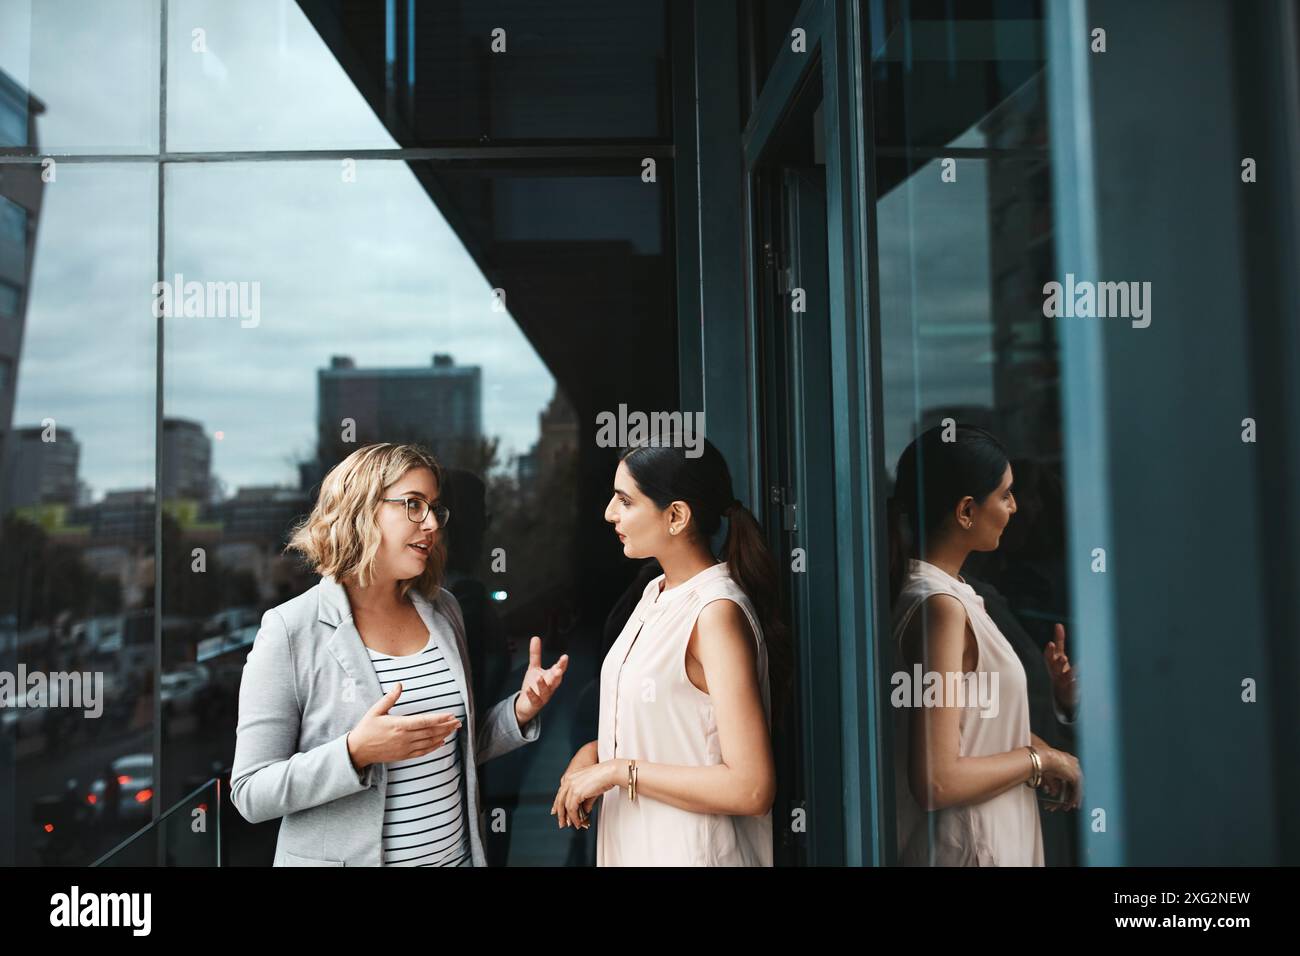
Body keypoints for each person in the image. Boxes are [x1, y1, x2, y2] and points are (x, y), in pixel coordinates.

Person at [230, 442, 568, 866]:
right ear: (361, 510)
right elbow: (250, 792)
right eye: (413, 504)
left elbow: (453, 745)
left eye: (434, 508)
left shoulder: (443, 610)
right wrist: (354, 752)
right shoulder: (290, 630)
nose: (431, 524)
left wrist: (519, 710)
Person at [551, 436, 790, 866]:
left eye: (624, 500)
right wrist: (593, 755)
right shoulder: (654, 592)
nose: (609, 513)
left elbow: (751, 788)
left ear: (676, 516)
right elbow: (669, 729)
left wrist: (618, 771)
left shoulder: (714, 611)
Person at [886, 423, 1082, 866]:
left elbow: (969, 722)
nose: (1014, 507)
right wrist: (1039, 761)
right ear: (966, 510)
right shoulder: (938, 608)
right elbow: (937, 779)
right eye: (1005, 494)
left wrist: (1046, 751)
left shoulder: (945, 595)